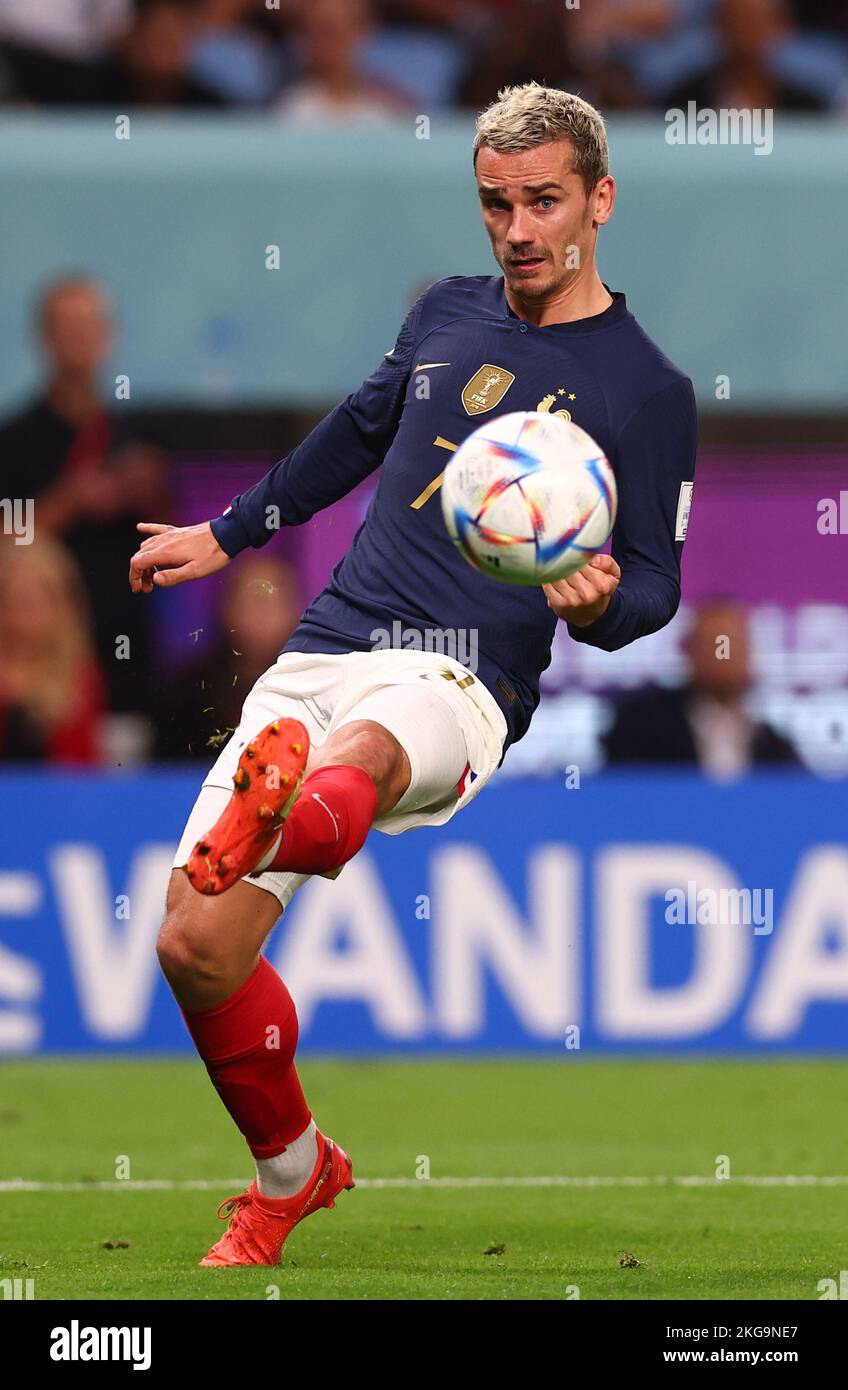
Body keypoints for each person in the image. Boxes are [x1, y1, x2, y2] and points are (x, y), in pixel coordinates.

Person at [128, 82, 698, 1267]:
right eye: (496, 204)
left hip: (462, 681)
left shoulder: (646, 389)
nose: (518, 230)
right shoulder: (444, 312)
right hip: (330, 642)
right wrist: (227, 535)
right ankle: (294, 1172)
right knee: (194, 949)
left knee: (357, 766)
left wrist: (598, 607)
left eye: (543, 202)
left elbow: (652, 586)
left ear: (600, 197)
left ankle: (286, 806)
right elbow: (350, 436)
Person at [0, 276, 168, 717]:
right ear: (43, 337)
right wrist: (69, 502)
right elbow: (9, 536)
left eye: (89, 325)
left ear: (109, 335)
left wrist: (149, 493)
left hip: (128, 643)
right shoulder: (15, 440)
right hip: (43, 659)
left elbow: (179, 537)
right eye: (66, 325)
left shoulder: (137, 436)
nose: (80, 337)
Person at [604, 600, 799, 777]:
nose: (724, 656)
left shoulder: (773, 746)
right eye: (716, 645)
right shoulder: (640, 727)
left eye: (733, 645)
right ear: (690, 651)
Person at [0, 538, 106, 764]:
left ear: (62, 606)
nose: (21, 616)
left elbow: (81, 770)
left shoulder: (79, 677)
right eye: (13, 600)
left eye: (33, 602)